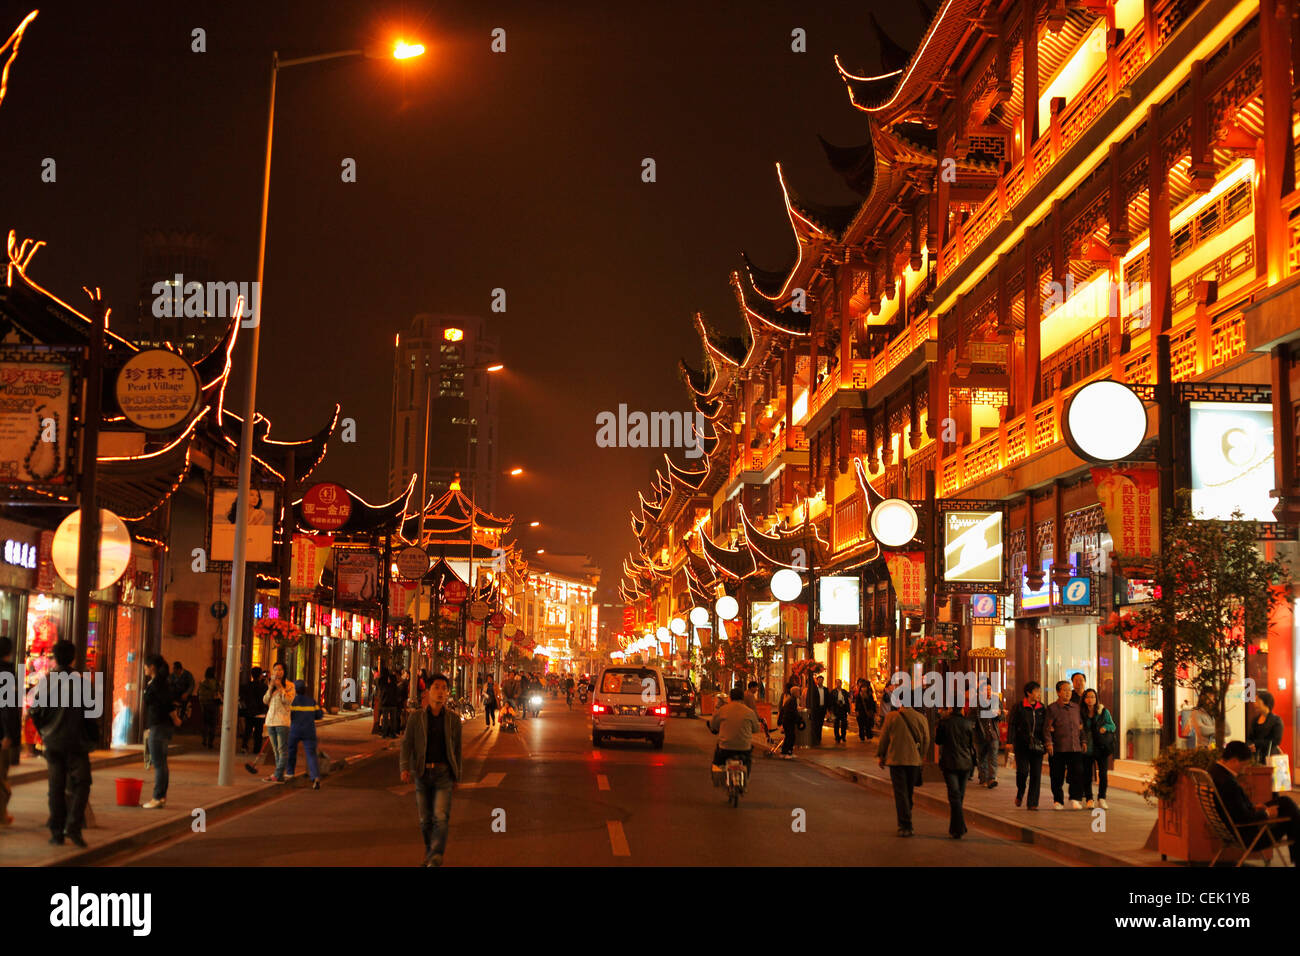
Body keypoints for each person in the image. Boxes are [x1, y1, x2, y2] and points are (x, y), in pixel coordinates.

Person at [26, 641, 95, 845]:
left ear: (55, 658)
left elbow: (34, 711)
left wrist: (44, 732)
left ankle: (57, 832)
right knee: (82, 783)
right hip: (76, 743)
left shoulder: (46, 682)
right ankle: (73, 826)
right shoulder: (82, 683)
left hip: (53, 743)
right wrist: (92, 738)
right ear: (73, 658)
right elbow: (91, 716)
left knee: (55, 787)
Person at [399, 673, 463, 867]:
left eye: (444, 688)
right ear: (427, 691)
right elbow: (407, 744)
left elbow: (457, 749)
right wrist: (404, 767)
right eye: (436, 687)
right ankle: (430, 853)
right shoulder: (416, 718)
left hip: (444, 774)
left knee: (441, 818)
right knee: (425, 820)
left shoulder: (453, 720)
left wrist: (457, 776)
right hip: (422, 773)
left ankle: (435, 856)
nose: (441, 692)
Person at [1209, 740, 1299, 865]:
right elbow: (1242, 818)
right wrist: (1266, 813)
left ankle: (1298, 857)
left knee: (1285, 802)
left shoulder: (1214, 771)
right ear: (1234, 760)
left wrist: (1253, 807)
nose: (1244, 769)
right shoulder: (1228, 784)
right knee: (1292, 817)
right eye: (1243, 765)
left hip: (1230, 830)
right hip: (1248, 836)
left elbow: (1235, 809)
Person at [877, 683, 930, 837]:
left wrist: (881, 755)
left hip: (896, 760)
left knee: (900, 793)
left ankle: (905, 824)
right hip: (914, 761)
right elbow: (926, 739)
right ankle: (907, 816)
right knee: (908, 791)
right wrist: (921, 756)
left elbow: (884, 739)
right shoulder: (921, 718)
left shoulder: (891, 717)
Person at [936, 704, 977, 838]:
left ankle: (958, 828)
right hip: (965, 763)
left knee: (954, 796)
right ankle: (957, 828)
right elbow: (971, 743)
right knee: (959, 796)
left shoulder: (944, 723)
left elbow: (938, 740)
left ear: (950, 708)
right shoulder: (968, 723)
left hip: (950, 762)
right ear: (962, 708)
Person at [141, 654, 177, 810]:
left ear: (152, 667)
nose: (144, 668)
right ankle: (161, 797)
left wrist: (175, 718)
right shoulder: (159, 683)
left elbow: (167, 704)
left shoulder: (157, 685)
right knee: (161, 763)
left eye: (146, 665)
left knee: (159, 764)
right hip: (160, 726)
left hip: (159, 726)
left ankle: (158, 797)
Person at [1045, 679, 1086, 810]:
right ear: (1058, 692)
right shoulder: (1052, 708)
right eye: (1065, 690)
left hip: (1075, 747)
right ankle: (1058, 800)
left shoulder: (1076, 707)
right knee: (1057, 775)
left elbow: (1081, 726)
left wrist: (1083, 741)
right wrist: (1049, 743)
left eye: (1069, 690)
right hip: (1058, 747)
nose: (1068, 693)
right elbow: (1046, 728)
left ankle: (1075, 798)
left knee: (1078, 773)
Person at [708, 686, 761, 778]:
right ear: (742, 698)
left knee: (717, 762)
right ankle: (745, 779)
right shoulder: (749, 712)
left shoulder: (722, 710)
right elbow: (756, 729)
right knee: (748, 761)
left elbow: (713, 725)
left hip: (725, 746)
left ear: (730, 697)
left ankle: (718, 777)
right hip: (744, 747)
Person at [1009, 681, 1046, 809]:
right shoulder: (1019, 707)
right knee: (1023, 772)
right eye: (1036, 691)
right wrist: (1010, 742)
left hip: (1038, 745)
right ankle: (1020, 792)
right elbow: (1012, 725)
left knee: (1036, 774)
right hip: (1022, 745)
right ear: (1029, 693)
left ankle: (1032, 803)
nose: (1039, 694)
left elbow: (1045, 727)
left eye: (1039, 691)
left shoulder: (1042, 708)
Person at [1079, 688, 1115, 809]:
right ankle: (1089, 799)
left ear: (1096, 699)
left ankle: (1102, 798)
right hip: (1086, 748)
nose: (1090, 699)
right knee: (1087, 775)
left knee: (1103, 775)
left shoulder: (1103, 711)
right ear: (1084, 699)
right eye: (1088, 697)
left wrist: (1105, 727)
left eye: (1093, 697)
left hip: (1101, 747)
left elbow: (1113, 725)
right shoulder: (1080, 713)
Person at [285, 679, 324, 789]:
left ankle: (290, 772)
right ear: (305, 690)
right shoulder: (311, 701)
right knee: (311, 754)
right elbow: (319, 715)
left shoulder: (293, 701)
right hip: (309, 730)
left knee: (292, 751)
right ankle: (315, 777)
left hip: (295, 730)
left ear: (296, 690)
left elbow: (289, 715)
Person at [262, 661, 294, 783]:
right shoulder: (271, 685)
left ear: (284, 672)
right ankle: (278, 775)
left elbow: (288, 701)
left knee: (282, 749)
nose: (278, 672)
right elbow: (265, 700)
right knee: (275, 750)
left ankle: (277, 774)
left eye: (280, 670)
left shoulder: (290, 685)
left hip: (282, 721)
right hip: (270, 721)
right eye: (275, 669)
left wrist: (281, 687)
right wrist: (270, 687)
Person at [0, 636, 19, 826]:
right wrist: (8, 734)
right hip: (1, 734)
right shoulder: (7, 674)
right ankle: (1, 816)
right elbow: (8, 708)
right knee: (1, 777)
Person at [974, 680, 1000, 789]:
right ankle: (984, 778)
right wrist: (991, 713)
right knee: (982, 757)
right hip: (980, 733)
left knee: (993, 756)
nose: (988, 691)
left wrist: (1000, 714)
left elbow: (1001, 714)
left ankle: (992, 778)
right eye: (986, 689)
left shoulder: (995, 700)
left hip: (993, 733)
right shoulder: (976, 702)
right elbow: (976, 715)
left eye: (990, 689)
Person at [1248, 691, 1284, 766]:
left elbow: (1276, 740)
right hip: (1256, 757)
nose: (1254, 704)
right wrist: (1250, 744)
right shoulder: (1255, 720)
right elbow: (1250, 737)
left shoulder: (1276, 720)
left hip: (1271, 756)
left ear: (1266, 703)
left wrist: (1256, 744)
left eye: (1257, 701)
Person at [239, 667, 266, 754]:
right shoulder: (264, 687)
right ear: (260, 675)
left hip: (249, 712)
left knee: (248, 730)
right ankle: (257, 749)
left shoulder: (247, 686)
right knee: (258, 732)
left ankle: (244, 746)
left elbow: (242, 697)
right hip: (260, 712)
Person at [196, 667, 220, 749]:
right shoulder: (215, 682)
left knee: (205, 723)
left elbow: (198, 693)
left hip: (204, 704)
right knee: (212, 724)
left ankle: (204, 739)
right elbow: (218, 691)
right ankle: (210, 742)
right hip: (213, 704)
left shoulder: (203, 682)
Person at [777, 683, 802, 758]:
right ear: (795, 693)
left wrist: (780, 721)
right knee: (791, 737)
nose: (799, 693)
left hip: (786, 721)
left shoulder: (790, 700)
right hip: (789, 721)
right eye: (798, 692)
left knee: (788, 737)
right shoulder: (792, 701)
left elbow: (783, 710)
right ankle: (788, 752)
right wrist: (799, 721)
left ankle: (784, 752)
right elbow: (794, 712)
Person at [170, 660, 196, 724]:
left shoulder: (187, 674)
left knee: (184, 707)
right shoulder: (172, 675)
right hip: (175, 694)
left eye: (174, 669)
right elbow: (169, 684)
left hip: (185, 694)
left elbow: (192, 685)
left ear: (179, 669)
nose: (173, 671)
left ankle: (181, 721)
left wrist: (187, 693)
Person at [828, 679, 852, 745]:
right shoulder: (833, 692)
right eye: (837, 683)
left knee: (844, 723)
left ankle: (843, 736)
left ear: (841, 684)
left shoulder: (844, 691)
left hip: (843, 709)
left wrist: (848, 710)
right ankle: (837, 736)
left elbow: (847, 700)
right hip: (836, 709)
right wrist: (831, 709)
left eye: (839, 683)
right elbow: (831, 701)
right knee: (836, 724)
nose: (838, 684)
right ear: (835, 684)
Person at [807, 673, 828, 746]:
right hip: (816, 709)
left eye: (822, 680)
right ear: (817, 681)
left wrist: (827, 710)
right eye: (819, 680)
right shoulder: (814, 689)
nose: (820, 682)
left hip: (822, 709)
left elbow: (827, 700)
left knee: (820, 724)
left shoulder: (825, 689)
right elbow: (809, 699)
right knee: (815, 724)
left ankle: (819, 738)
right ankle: (815, 739)